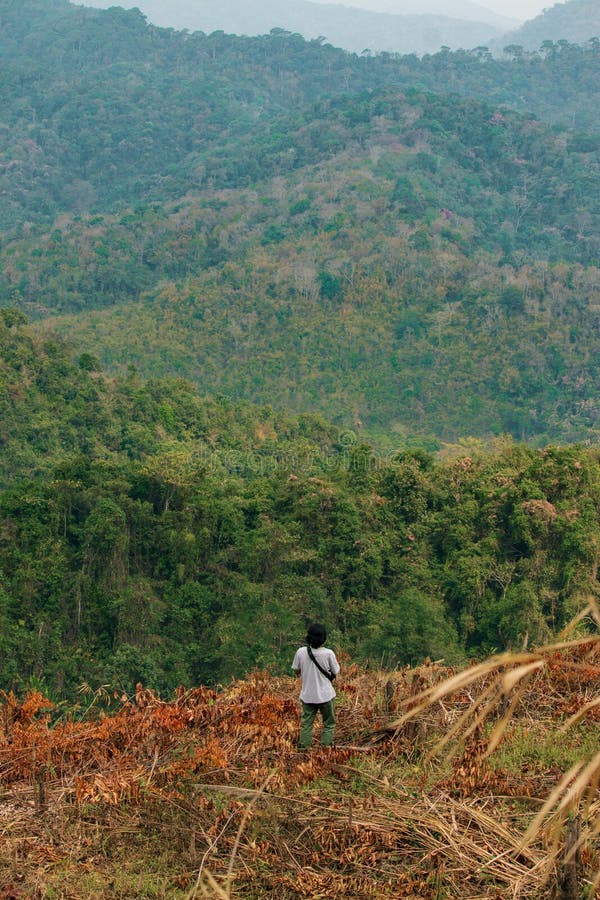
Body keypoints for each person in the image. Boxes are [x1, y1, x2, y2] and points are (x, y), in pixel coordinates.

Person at [292, 623, 340, 749]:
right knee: (329, 723)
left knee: (306, 724)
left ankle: (304, 749)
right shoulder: (329, 653)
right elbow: (335, 671)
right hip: (326, 695)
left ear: (308, 637)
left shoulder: (301, 652)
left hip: (308, 695)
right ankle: (326, 748)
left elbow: (296, 671)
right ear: (324, 638)